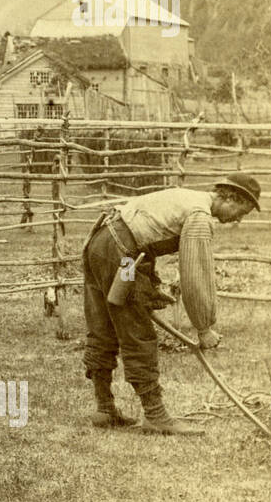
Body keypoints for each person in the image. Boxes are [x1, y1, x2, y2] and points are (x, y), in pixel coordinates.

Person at [81, 173, 261, 435]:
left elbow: (143, 236)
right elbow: (195, 275)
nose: (239, 219)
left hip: (100, 243)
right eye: (241, 211)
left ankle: (104, 408)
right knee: (137, 333)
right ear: (231, 197)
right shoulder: (200, 216)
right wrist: (204, 327)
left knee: (103, 326)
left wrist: (148, 286)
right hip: (122, 254)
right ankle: (155, 415)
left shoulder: (187, 197)